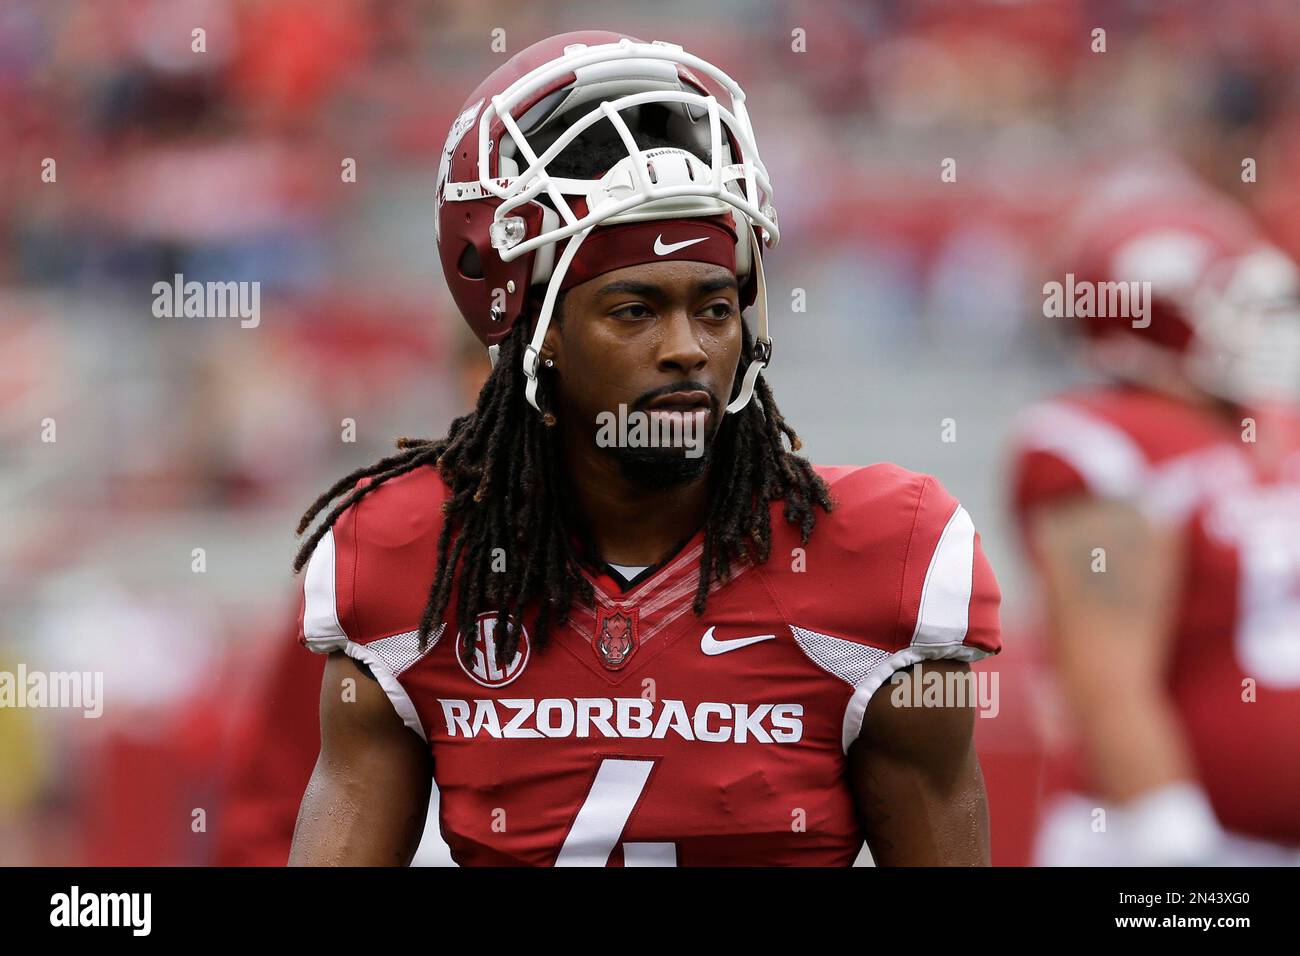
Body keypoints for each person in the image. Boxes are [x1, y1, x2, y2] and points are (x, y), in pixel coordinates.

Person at [288, 31, 1001, 867]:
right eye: (634, 310)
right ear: (539, 333)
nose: (687, 348)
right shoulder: (411, 558)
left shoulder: (884, 559)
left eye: (713, 307)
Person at [1010, 166, 1300, 865]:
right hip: (1163, 843)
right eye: (1231, 306)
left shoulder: (1261, 430)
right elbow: (1107, 682)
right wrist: (1180, 847)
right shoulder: (1106, 441)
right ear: (1166, 318)